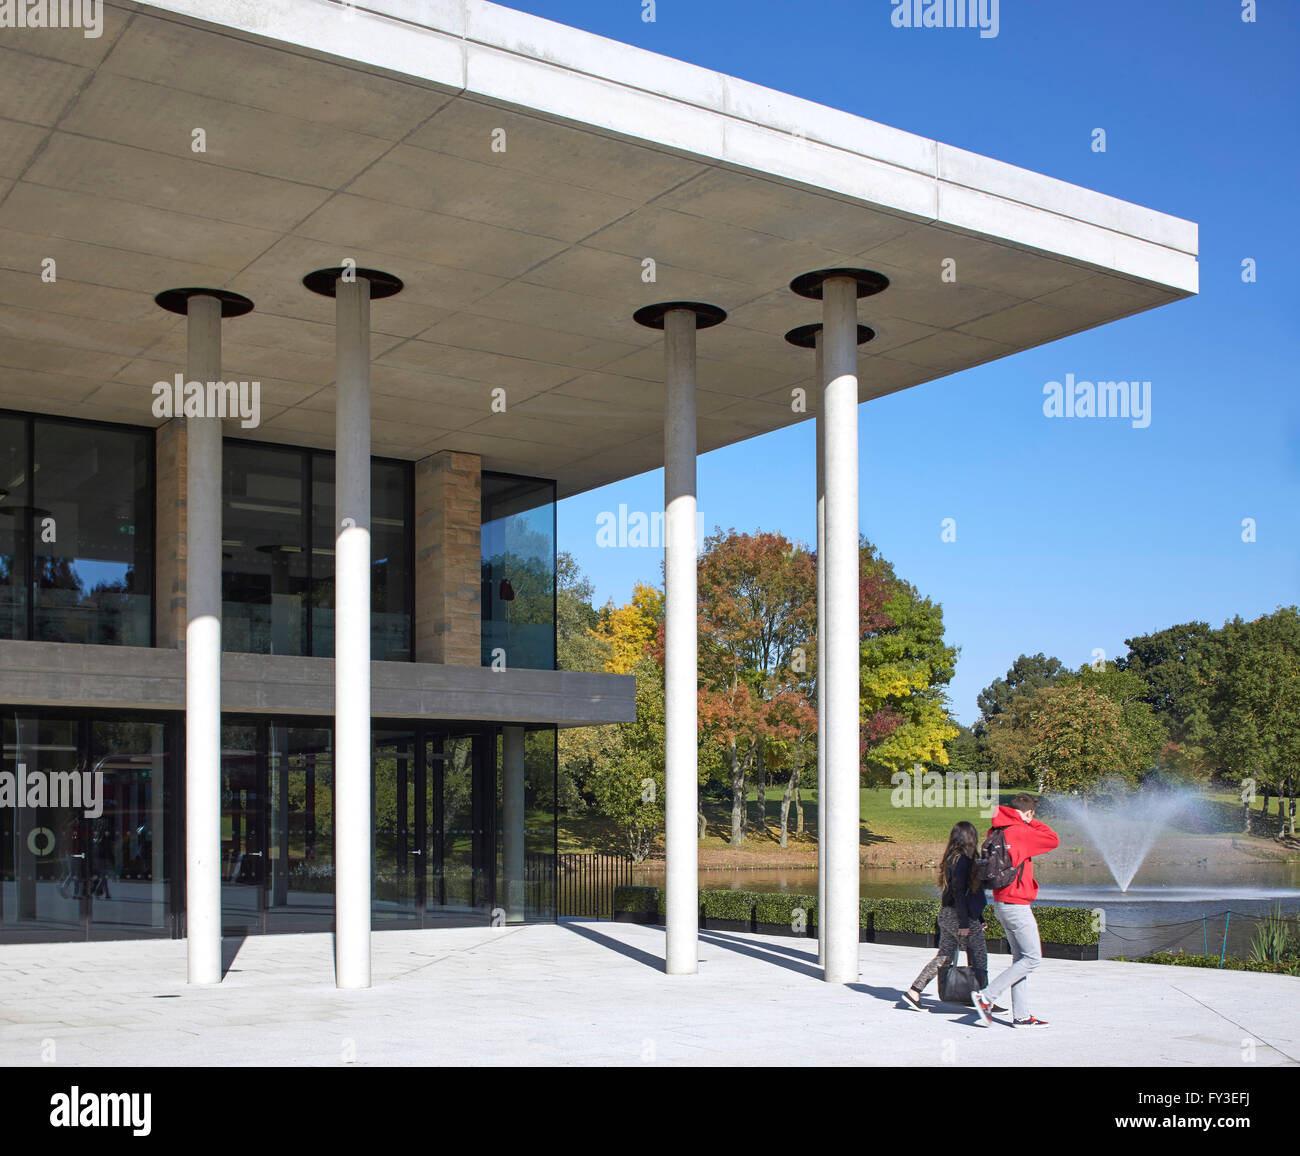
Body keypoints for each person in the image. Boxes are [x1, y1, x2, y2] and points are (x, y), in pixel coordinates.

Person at [972, 793, 1059, 1027]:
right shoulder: (1021, 831)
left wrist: (1022, 818)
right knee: (1032, 959)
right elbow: (1052, 839)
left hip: (1001, 901)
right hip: (1017, 903)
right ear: (1028, 813)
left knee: (1020, 959)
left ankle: (1021, 1016)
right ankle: (986, 997)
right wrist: (1030, 821)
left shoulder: (997, 831)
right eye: (1031, 814)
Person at [900, 821, 988, 1011]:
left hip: (947, 914)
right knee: (978, 953)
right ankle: (984, 998)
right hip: (958, 916)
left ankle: (914, 991)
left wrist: (978, 917)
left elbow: (964, 893)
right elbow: (960, 892)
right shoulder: (963, 860)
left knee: (944, 957)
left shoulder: (951, 859)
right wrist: (966, 922)